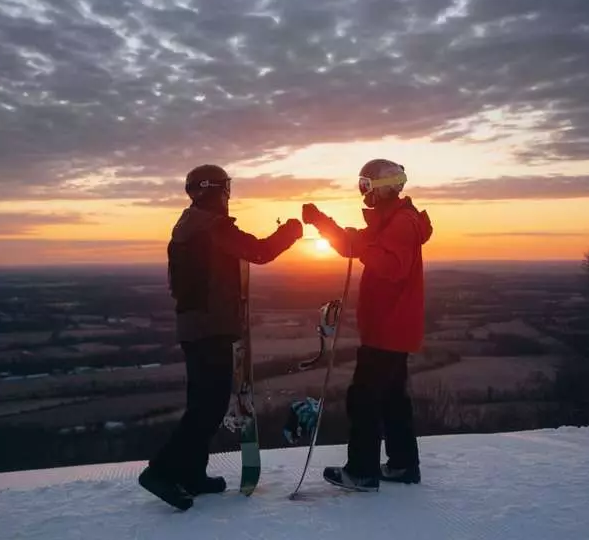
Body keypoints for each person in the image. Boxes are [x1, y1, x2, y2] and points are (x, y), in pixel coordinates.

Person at [139, 164, 303, 510]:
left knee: (203, 403)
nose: (229, 195)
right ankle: (161, 472)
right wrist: (291, 232)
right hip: (211, 328)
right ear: (215, 190)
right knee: (208, 407)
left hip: (195, 326)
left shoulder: (189, 225)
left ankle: (192, 474)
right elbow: (259, 252)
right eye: (226, 188)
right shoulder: (213, 228)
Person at [301, 158, 433, 491]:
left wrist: (365, 249)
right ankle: (403, 465)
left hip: (387, 329)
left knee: (363, 399)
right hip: (391, 328)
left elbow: (391, 267)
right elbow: (353, 243)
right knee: (392, 399)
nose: (363, 193)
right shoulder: (388, 222)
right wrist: (320, 222)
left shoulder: (400, 223)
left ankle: (362, 471)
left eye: (366, 185)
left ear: (385, 186)